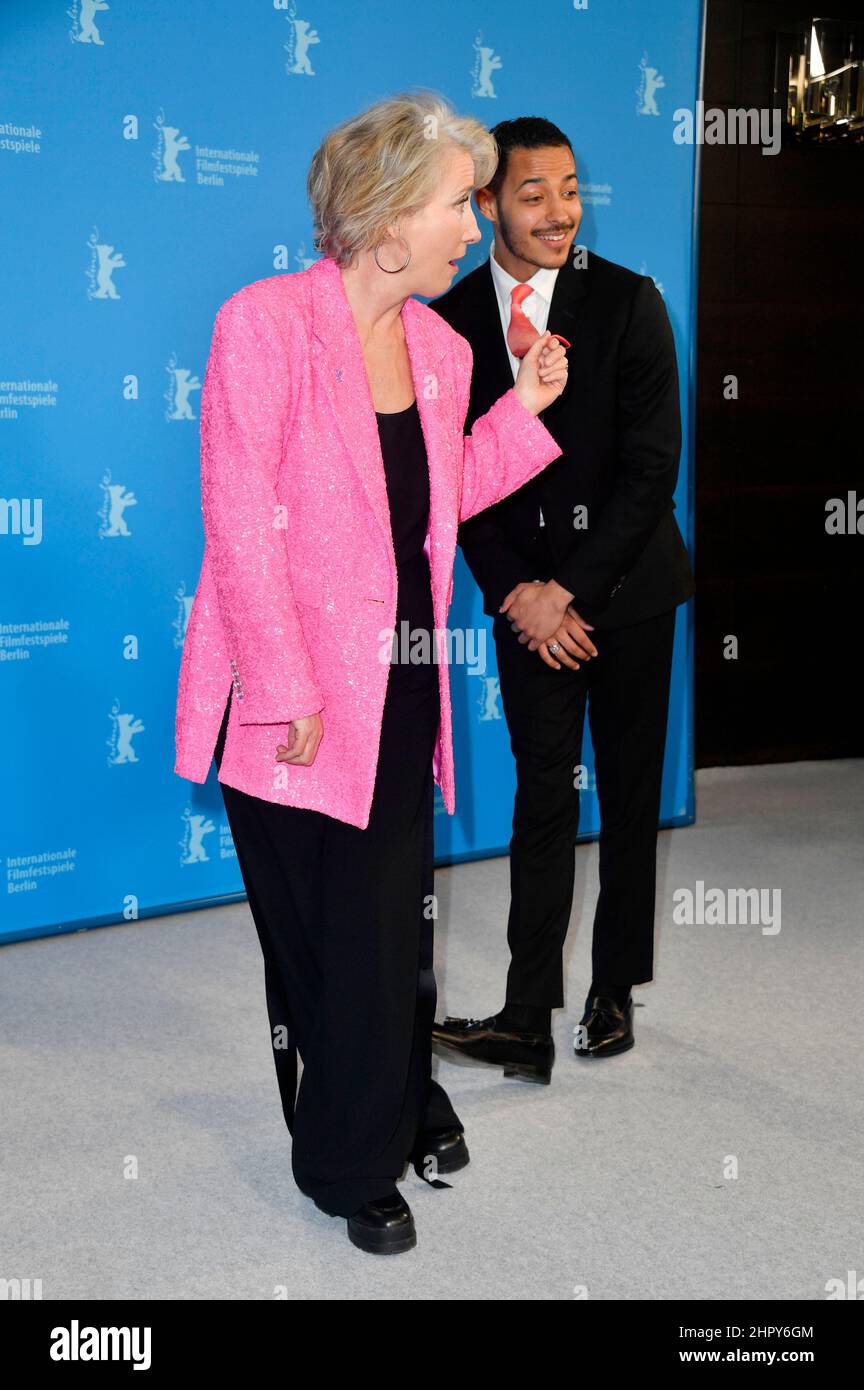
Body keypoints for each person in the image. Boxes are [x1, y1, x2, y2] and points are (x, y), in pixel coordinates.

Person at [173, 92, 569, 1255]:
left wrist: (527, 409)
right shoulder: (267, 324)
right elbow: (241, 518)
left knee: (387, 929)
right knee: (313, 937)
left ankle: (367, 1144)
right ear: (390, 214)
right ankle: (360, 1139)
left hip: (397, 686)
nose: (475, 220)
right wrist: (288, 685)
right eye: (461, 199)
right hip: (283, 696)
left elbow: (435, 501)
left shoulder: (445, 350)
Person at [430, 116, 694, 1083]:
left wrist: (569, 591)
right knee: (542, 801)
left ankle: (614, 988)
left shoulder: (629, 302)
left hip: (627, 595)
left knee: (626, 798)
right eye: (534, 193)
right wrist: (520, 595)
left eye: (571, 189)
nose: (558, 211)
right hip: (524, 611)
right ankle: (523, 1015)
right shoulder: (447, 322)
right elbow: (451, 480)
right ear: (487, 202)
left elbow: (650, 472)